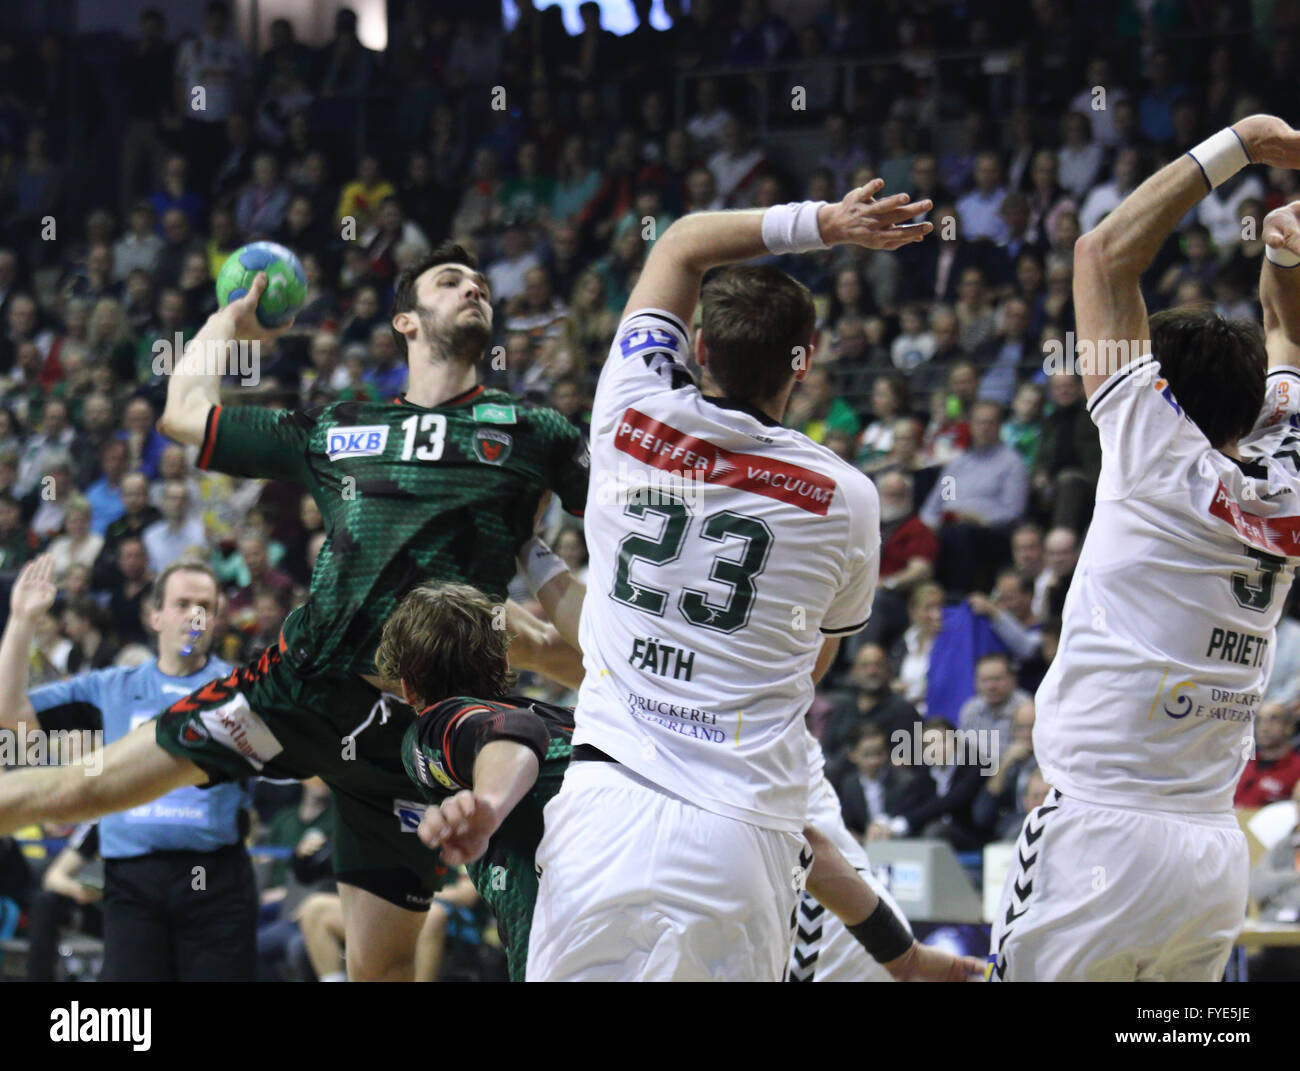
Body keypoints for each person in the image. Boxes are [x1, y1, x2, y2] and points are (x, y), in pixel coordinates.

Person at [0, 247, 589, 983]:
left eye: (481, 284)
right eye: (450, 281)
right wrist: (230, 320)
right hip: (298, 691)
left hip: (418, 735)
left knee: (382, 968)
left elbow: (617, 564)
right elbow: (183, 415)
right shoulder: (337, 427)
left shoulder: (535, 433)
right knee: (81, 786)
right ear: (405, 321)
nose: (474, 288)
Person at [525, 178, 935, 981]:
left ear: (700, 349)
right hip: (742, 829)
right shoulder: (848, 497)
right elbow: (810, 667)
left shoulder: (627, 407)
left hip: (605, 806)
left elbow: (682, 243)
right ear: (805, 362)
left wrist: (828, 222)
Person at [990, 114, 1300, 982]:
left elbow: (1101, 255)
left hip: (1097, 833)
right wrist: (1284, 254)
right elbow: (1291, 335)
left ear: (1159, 389)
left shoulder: (1148, 445)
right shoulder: (1285, 471)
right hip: (1210, 852)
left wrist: (1242, 142)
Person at [0, 555, 257, 981]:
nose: (194, 616)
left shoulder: (244, 690)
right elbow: (11, 718)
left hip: (214, 880)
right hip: (133, 883)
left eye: (205, 607)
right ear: (154, 616)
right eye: (182, 604)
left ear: (216, 620)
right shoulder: (111, 687)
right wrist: (22, 620)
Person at [1234, 701, 1300, 808]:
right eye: (1259, 721)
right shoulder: (1242, 765)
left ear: (1289, 727)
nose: (1264, 728)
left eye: (1273, 720)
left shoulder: (1297, 770)